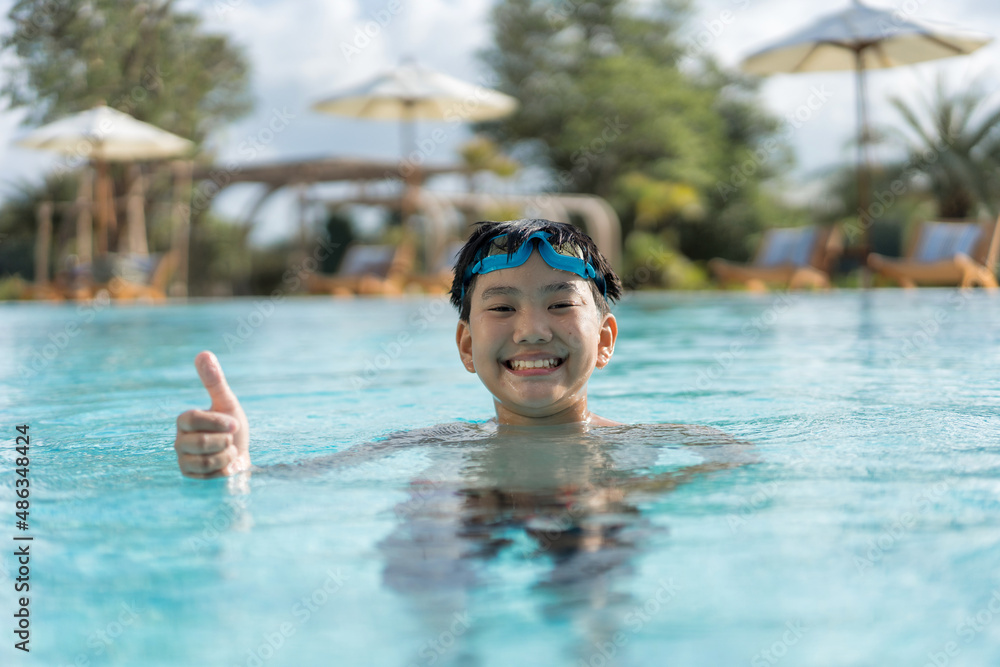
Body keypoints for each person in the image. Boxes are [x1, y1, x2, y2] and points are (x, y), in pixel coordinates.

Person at [174, 218, 633, 478]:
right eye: (502, 309)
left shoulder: (651, 446)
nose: (531, 330)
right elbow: (299, 477)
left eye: (558, 304)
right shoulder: (430, 444)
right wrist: (238, 466)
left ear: (605, 340)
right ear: (467, 346)